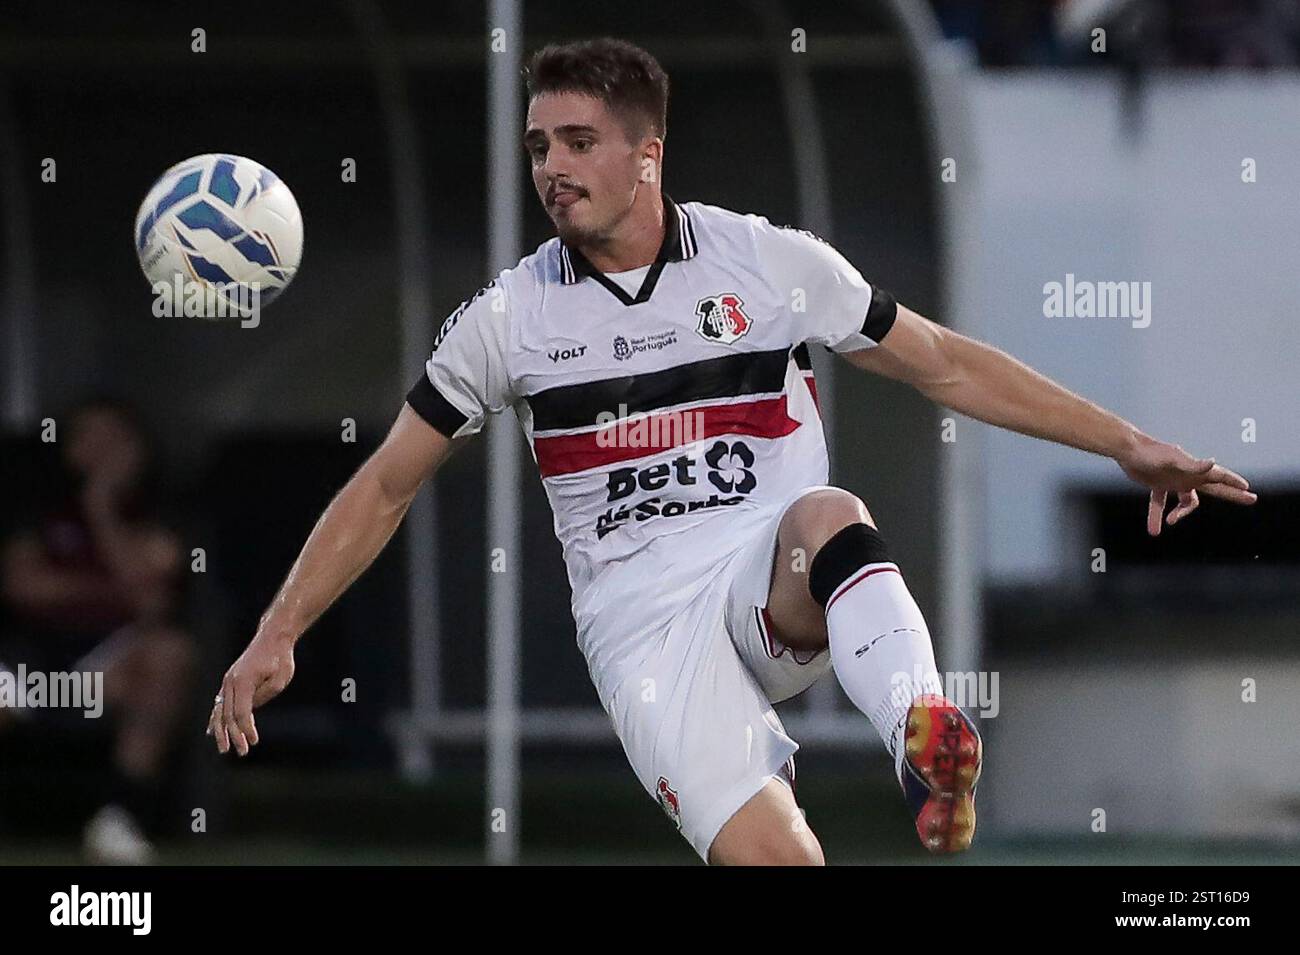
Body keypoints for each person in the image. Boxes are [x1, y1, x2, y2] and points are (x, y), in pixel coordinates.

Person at [206, 38, 1256, 865]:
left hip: (771, 572)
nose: (552, 171)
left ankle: (922, 741)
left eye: (577, 143)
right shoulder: (509, 320)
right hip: (645, 634)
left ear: (646, 153)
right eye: (538, 148)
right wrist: (279, 629)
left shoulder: (766, 263)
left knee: (828, 515)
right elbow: (387, 481)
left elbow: (940, 363)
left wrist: (1125, 442)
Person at [1, 398, 195, 864]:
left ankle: (120, 817)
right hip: (27, 663)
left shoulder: (162, 514)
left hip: (106, 667)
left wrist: (101, 509)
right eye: (87, 438)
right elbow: (24, 588)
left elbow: (153, 602)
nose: (100, 451)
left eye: (113, 439)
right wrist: (116, 589)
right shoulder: (38, 510)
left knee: (169, 654)